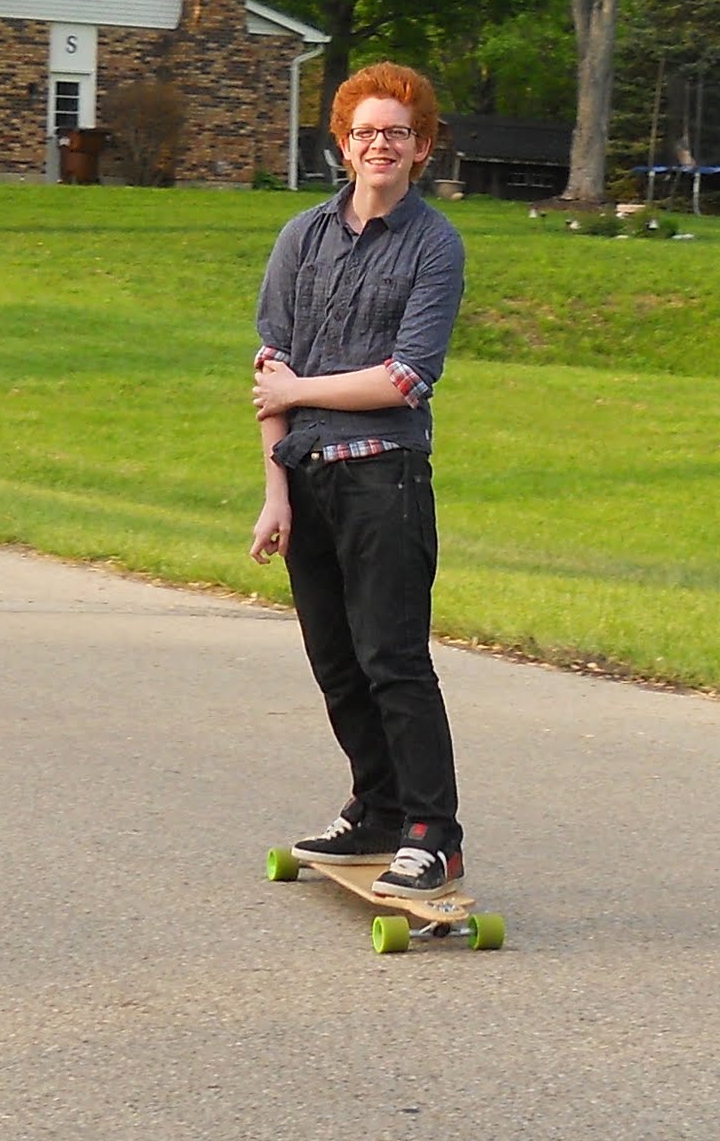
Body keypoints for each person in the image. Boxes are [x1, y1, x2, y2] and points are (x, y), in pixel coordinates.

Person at [248, 62, 466, 899]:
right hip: (308, 483)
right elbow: (271, 368)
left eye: (398, 133)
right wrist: (276, 492)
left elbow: (407, 378)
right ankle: (376, 810)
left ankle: (432, 834)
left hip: (386, 483)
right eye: (366, 131)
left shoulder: (434, 245)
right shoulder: (301, 237)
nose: (381, 144)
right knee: (336, 662)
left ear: (421, 149)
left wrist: (301, 392)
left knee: (393, 660)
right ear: (343, 145)